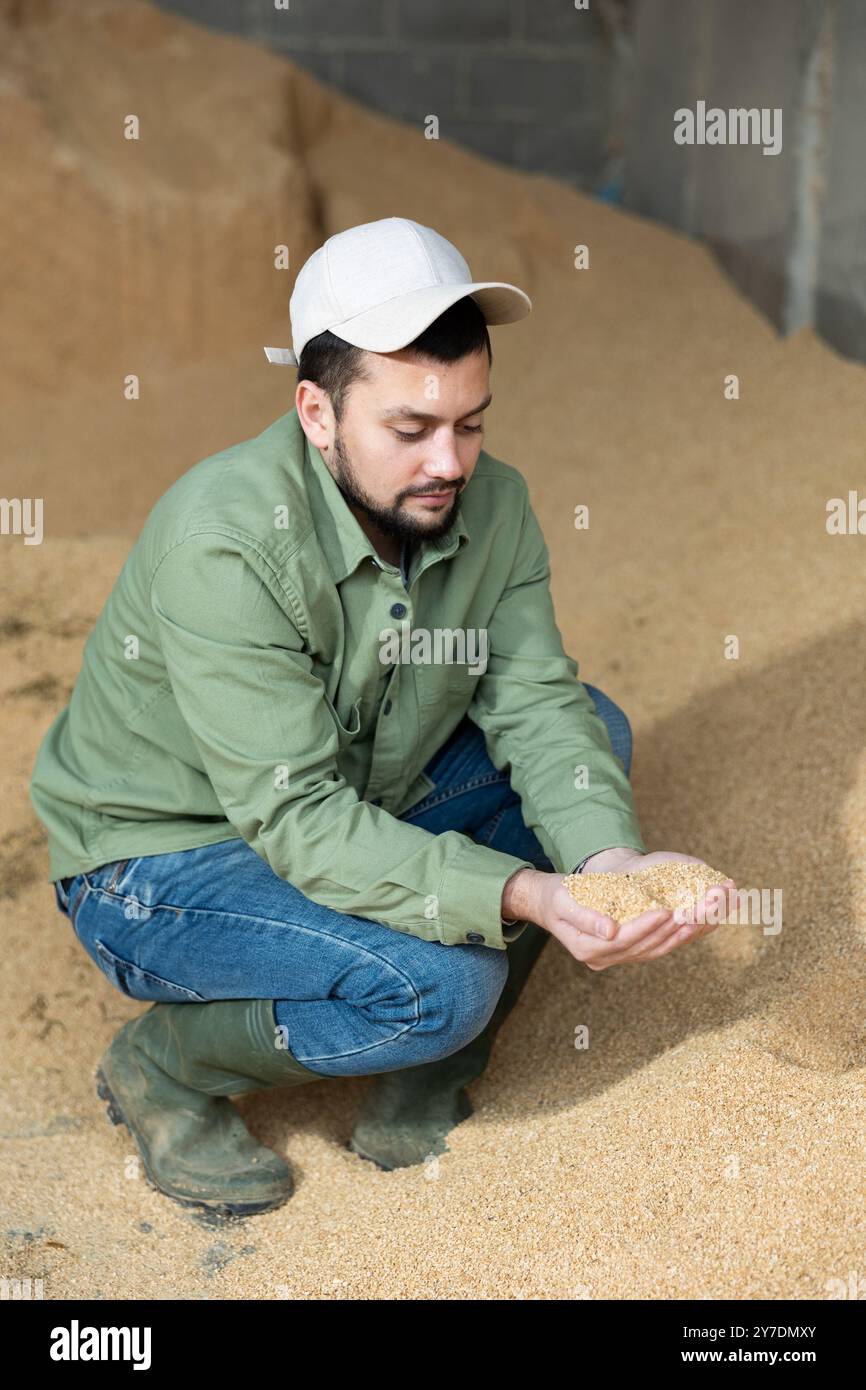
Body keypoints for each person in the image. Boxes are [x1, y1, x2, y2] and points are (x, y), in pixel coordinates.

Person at [30, 216, 737, 1220]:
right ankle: (166, 1065)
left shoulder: (492, 506)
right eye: (408, 431)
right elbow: (300, 818)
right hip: (164, 861)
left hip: (353, 788)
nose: (448, 462)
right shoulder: (223, 543)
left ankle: (421, 1068)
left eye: (471, 422)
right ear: (316, 414)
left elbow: (532, 700)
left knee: (593, 734)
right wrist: (525, 893)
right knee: (440, 987)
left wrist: (605, 865)